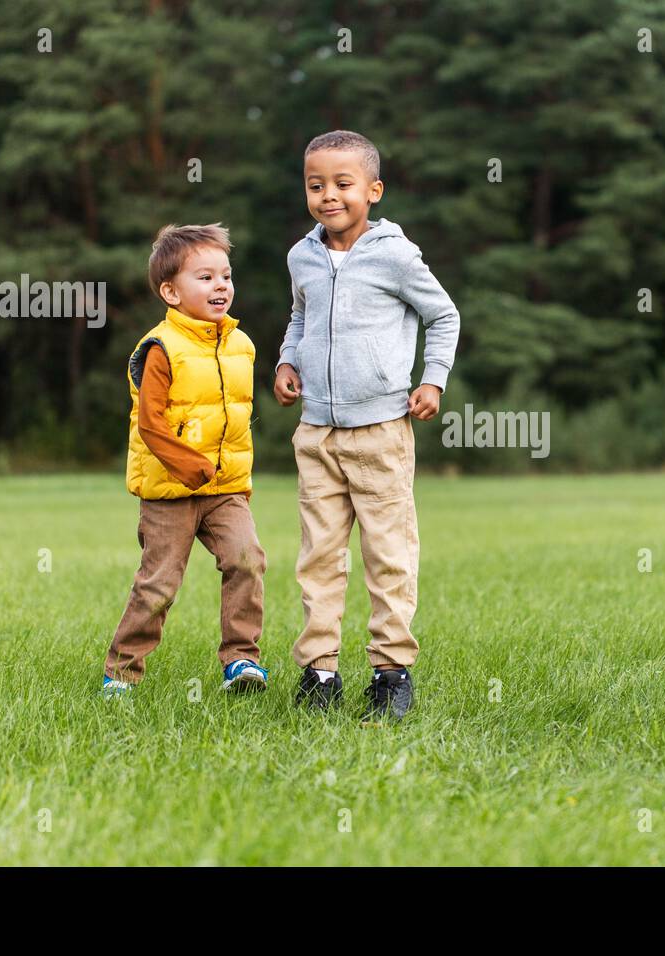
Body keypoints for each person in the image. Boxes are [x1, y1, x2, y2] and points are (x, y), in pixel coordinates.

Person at [274, 130, 460, 720]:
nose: (328, 195)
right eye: (315, 185)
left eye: (342, 184)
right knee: (319, 556)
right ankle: (320, 673)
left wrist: (432, 379)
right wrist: (285, 360)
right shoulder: (301, 256)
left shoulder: (395, 256)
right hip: (316, 432)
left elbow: (444, 314)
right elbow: (300, 319)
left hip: (381, 428)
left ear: (373, 190)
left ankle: (390, 673)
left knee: (388, 555)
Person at [103, 223, 268, 695]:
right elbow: (150, 424)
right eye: (206, 277)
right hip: (170, 493)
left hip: (225, 490)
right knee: (158, 585)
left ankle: (241, 661)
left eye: (226, 276)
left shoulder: (241, 345)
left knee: (248, 561)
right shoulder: (160, 348)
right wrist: (188, 464)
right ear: (171, 292)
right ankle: (122, 672)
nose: (221, 286)